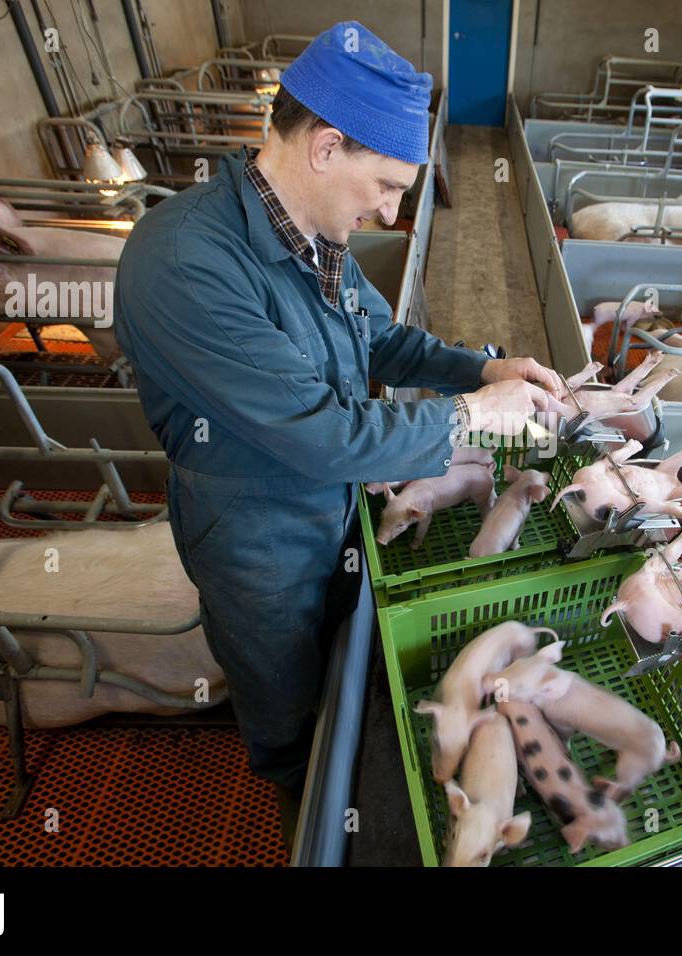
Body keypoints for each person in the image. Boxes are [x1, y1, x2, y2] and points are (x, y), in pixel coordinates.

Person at [112, 21, 562, 848]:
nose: (391, 210)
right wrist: (467, 420)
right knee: (280, 688)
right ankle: (298, 805)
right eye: (387, 185)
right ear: (325, 148)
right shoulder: (186, 262)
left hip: (333, 499)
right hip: (260, 535)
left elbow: (382, 341)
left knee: (333, 653)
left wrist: (484, 371)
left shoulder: (314, 238)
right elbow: (319, 432)